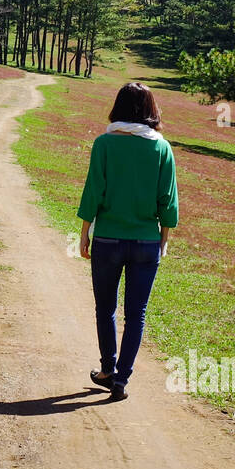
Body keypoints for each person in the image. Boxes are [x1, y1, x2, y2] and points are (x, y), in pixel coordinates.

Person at [76, 82, 179, 401]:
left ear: (118, 107)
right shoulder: (162, 148)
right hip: (146, 244)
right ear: (151, 110)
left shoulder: (104, 144)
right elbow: (168, 201)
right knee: (137, 313)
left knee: (105, 308)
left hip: (107, 240)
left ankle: (107, 368)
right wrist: (163, 240)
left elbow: (94, 191)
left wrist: (84, 234)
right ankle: (121, 379)